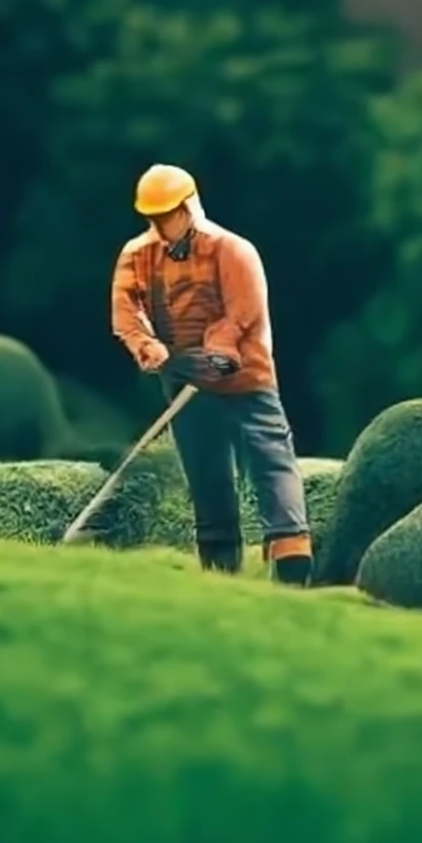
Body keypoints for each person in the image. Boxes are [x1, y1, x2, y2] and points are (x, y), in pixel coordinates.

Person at [110, 163, 313, 586]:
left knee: (269, 456)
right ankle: (219, 566)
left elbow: (243, 312)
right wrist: (147, 347)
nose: (162, 225)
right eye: (154, 217)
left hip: (244, 373)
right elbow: (126, 311)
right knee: (206, 471)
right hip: (182, 377)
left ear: (189, 207)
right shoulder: (136, 255)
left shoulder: (233, 250)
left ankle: (291, 548)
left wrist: (218, 353)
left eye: (168, 214)